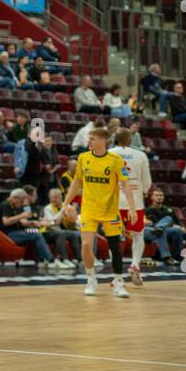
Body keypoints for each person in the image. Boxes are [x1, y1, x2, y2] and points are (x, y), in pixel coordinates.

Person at [60, 126, 137, 298]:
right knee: (86, 245)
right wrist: (66, 203)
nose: (89, 142)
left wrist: (132, 208)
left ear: (103, 141)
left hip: (110, 210)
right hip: (89, 209)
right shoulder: (83, 158)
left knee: (115, 247)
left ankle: (118, 282)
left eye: (93, 139)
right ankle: (91, 279)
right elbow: (77, 182)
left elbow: (125, 185)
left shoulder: (116, 160)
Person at [112, 129, 153, 287]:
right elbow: (147, 182)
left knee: (113, 238)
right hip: (134, 201)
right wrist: (142, 192)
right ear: (130, 140)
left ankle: (116, 276)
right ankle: (135, 264)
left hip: (114, 201)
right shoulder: (141, 155)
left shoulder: (109, 153)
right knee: (138, 235)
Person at [0, 188, 58, 271]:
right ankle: (50, 260)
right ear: (15, 198)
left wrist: (32, 223)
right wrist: (22, 216)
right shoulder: (6, 205)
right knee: (37, 235)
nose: (21, 204)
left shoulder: (13, 205)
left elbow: (19, 221)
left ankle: (42, 260)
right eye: (21, 201)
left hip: (17, 231)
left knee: (37, 232)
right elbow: (6, 222)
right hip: (8, 234)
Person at [143, 187, 186, 271]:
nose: (159, 197)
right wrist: (173, 226)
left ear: (163, 197)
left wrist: (182, 226)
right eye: (156, 195)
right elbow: (153, 224)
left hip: (174, 228)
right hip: (162, 231)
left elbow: (177, 221)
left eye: (161, 195)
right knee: (168, 226)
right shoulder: (147, 210)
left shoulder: (168, 209)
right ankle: (178, 256)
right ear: (152, 197)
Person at [39, 187, 81, 268]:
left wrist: (71, 215)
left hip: (64, 230)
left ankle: (80, 259)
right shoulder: (48, 208)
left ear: (60, 197)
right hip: (48, 231)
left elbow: (74, 221)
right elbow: (55, 222)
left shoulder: (67, 205)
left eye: (55, 197)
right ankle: (64, 259)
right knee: (61, 234)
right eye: (51, 197)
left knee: (73, 234)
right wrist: (62, 211)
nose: (53, 200)